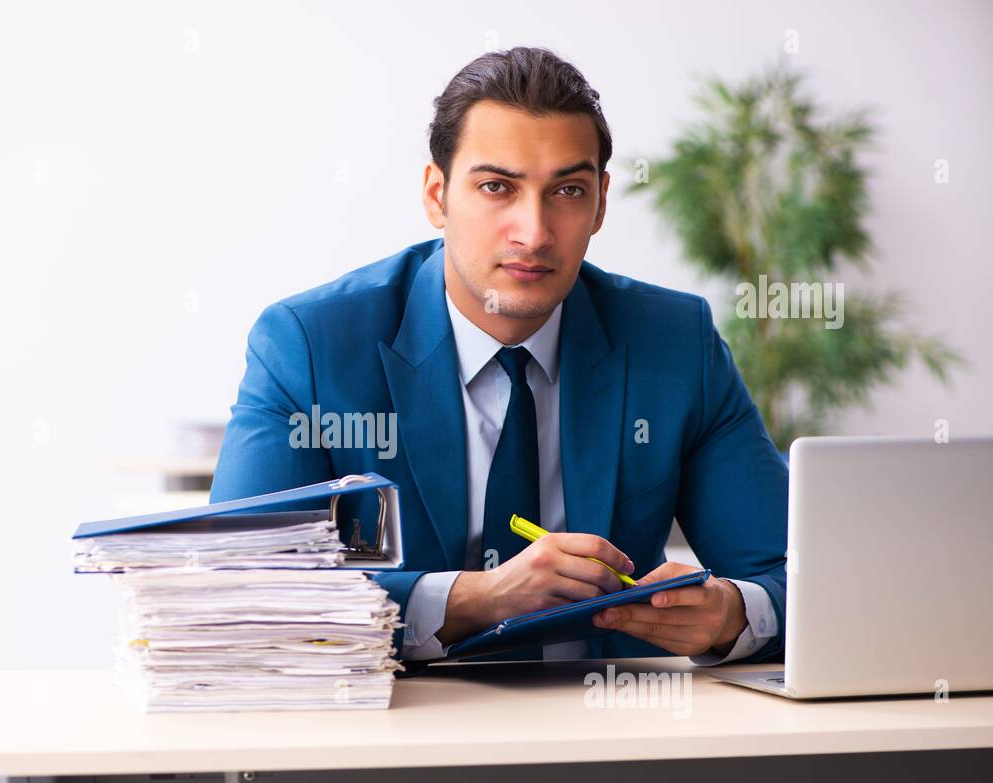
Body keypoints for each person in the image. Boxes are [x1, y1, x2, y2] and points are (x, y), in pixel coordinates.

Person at [210, 47, 787, 666]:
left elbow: (798, 574)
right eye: (496, 187)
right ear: (437, 195)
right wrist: (475, 598)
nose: (534, 232)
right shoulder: (312, 344)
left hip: (610, 730)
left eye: (567, 190)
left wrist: (731, 615)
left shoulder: (674, 343)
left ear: (600, 203)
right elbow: (243, 590)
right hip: (391, 728)